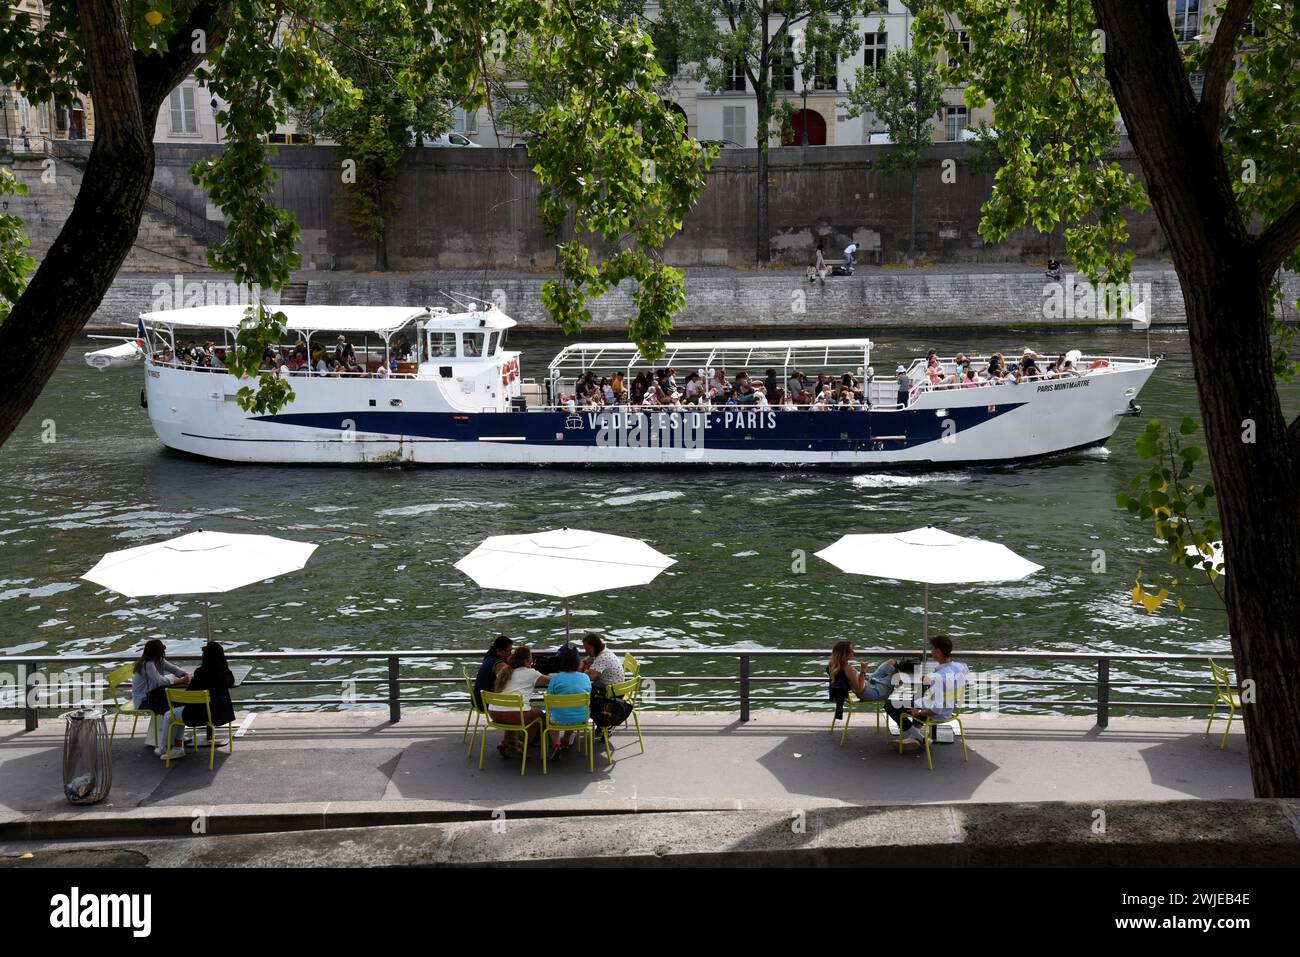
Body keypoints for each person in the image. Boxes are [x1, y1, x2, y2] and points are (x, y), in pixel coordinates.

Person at [885, 635, 969, 752]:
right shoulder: (961, 667)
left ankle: (920, 738)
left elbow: (935, 711)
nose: (931, 652)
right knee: (920, 693)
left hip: (937, 712)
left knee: (890, 705)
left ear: (938, 651)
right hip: (949, 708)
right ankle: (915, 732)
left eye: (932, 649)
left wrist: (918, 711)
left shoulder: (939, 677)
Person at [130, 639, 190, 755]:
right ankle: (169, 741)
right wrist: (181, 681)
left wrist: (184, 674)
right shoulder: (148, 665)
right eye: (162, 649)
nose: (164, 652)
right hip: (144, 700)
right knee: (172, 710)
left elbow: (173, 669)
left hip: (155, 695)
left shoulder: (159, 661)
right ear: (156, 652)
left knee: (179, 704)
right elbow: (160, 682)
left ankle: (177, 736)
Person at [490, 646, 550, 757]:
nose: (532, 660)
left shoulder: (505, 672)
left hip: (494, 713)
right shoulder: (532, 673)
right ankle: (524, 746)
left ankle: (505, 742)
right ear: (527, 660)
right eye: (531, 658)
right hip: (514, 715)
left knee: (513, 711)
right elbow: (550, 680)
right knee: (539, 716)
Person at [181, 641, 236, 747]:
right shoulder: (224, 672)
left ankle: (172, 746)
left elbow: (189, 694)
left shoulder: (200, 672)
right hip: (221, 713)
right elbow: (231, 682)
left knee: (170, 715)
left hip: (200, 714)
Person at [827, 641, 899, 721]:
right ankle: (902, 713)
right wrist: (863, 671)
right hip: (870, 692)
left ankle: (893, 689)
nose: (853, 652)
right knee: (897, 672)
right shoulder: (848, 669)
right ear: (844, 654)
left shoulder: (832, 665)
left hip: (868, 682)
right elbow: (859, 690)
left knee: (891, 662)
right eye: (851, 650)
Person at [544, 644, 591, 759]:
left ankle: (556, 744)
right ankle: (566, 739)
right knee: (574, 710)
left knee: (552, 717)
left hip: (559, 719)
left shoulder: (555, 678)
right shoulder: (585, 677)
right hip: (581, 718)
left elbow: (549, 697)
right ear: (577, 663)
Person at [473, 636, 513, 713]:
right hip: (486, 703)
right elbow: (511, 680)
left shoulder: (490, 657)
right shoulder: (499, 664)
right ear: (499, 650)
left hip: (477, 699)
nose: (510, 654)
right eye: (508, 651)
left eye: (511, 651)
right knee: (519, 704)